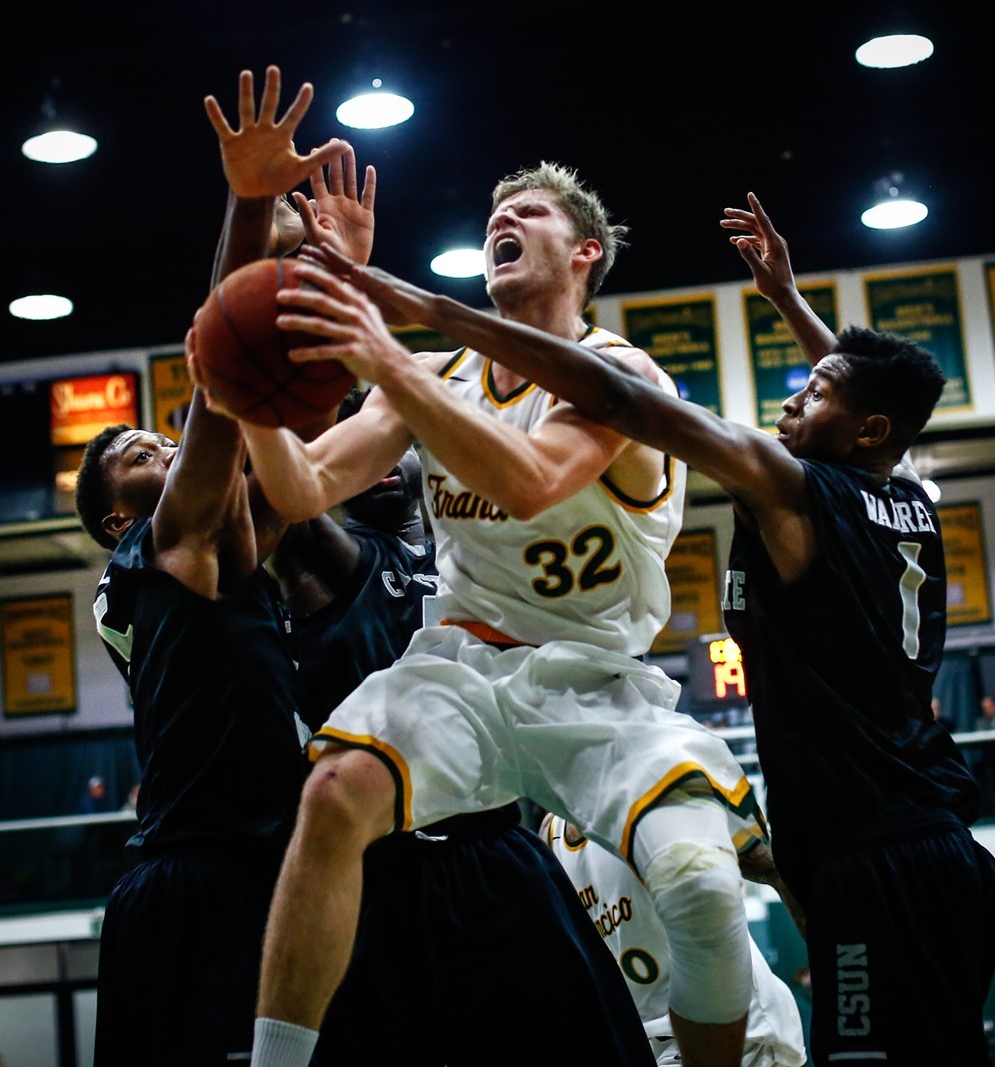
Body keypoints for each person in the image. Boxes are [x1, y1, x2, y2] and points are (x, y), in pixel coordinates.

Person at [293, 190, 995, 1064]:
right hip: (932, 824)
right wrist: (786, 300)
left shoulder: (786, 483)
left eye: (811, 389)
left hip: (867, 841)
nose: (792, 395)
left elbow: (626, 404)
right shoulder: (893, 491)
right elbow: (870, 401)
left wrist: (423, 319)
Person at [215, 163, 765, 1067]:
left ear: (585, 252)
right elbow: (305, 485)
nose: (501, 218)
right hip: (464, 668)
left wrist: (381, 346)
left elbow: (528, 478)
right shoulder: (434, 376)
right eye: (493, 214)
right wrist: (256, 393)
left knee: (699, 884)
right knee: (332, 793)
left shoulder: (620, 371)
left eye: (531, 211)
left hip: (596, 680)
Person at [74, 66, 347, 1066]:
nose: (163, 449)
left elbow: (293, 442)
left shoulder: (226, 540)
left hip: (257, 861)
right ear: (117, 514)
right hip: (200, 886)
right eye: (139, 455)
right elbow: (220, 376)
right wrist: (249, 206)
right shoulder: (169, 545)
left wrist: (331, 272)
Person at [275, 389, 652, 1064]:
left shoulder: (484, 556)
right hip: (382, 869)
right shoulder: (333, 557)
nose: (385, 461)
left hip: (494, 847)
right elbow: (288, 497)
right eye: (364, 446)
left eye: (398, 443)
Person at [541, 812, 807, 1067]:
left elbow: (772, 867)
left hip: (730, 1027)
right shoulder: (550, 836)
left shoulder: (644, 794)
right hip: (650, 1039)